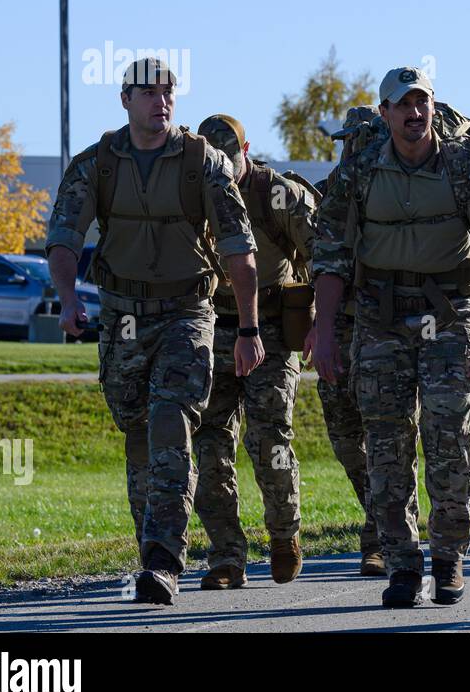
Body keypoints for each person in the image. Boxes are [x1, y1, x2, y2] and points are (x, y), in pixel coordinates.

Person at [45, 58, 262, 604]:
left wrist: (249, 328)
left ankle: (164, 557)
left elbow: (239, 247)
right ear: (125, 100)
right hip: (121, 314)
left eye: (168, 91)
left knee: (171, 422)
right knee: (137, 429)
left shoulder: (204, 163)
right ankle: (151, 550)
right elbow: (65, 236)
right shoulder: (97, 164)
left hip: (188, 312)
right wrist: (69, 299)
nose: (160, 101)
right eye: (148, 93)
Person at [309, 66, 470, 608]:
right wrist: (326, 332)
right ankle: (402, 563)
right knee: (385, 443)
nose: (414, 112)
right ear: (384, 114)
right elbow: (330, 257)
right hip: (380, 318)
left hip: (451, 315)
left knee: (447, 431)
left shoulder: (467, 170)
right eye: (402, 104)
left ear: (433, 106)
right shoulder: (358, 175)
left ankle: (448, 557)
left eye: (421, 101)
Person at [191, 114, 317, 588]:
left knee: (269, 441)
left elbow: (326, 256)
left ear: (249, 149)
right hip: (214, 326)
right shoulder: (197, 188)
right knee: (210, 446)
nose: (226, 166)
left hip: (274, 328)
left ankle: (284, 536)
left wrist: (319, 325)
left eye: (233, 156)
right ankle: (226, 556)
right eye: (216, 159)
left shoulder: (279, 194)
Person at [313, 105, 389, 576]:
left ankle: (379, 537)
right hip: (338, 327)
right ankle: (382, 510)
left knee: (386, 432)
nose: (353, 149)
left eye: (363, 140)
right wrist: (314, 326)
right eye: (349, 142)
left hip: (385, 325)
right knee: (345, 438)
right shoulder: (325, 196)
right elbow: (309, 263)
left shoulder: (394, 191)